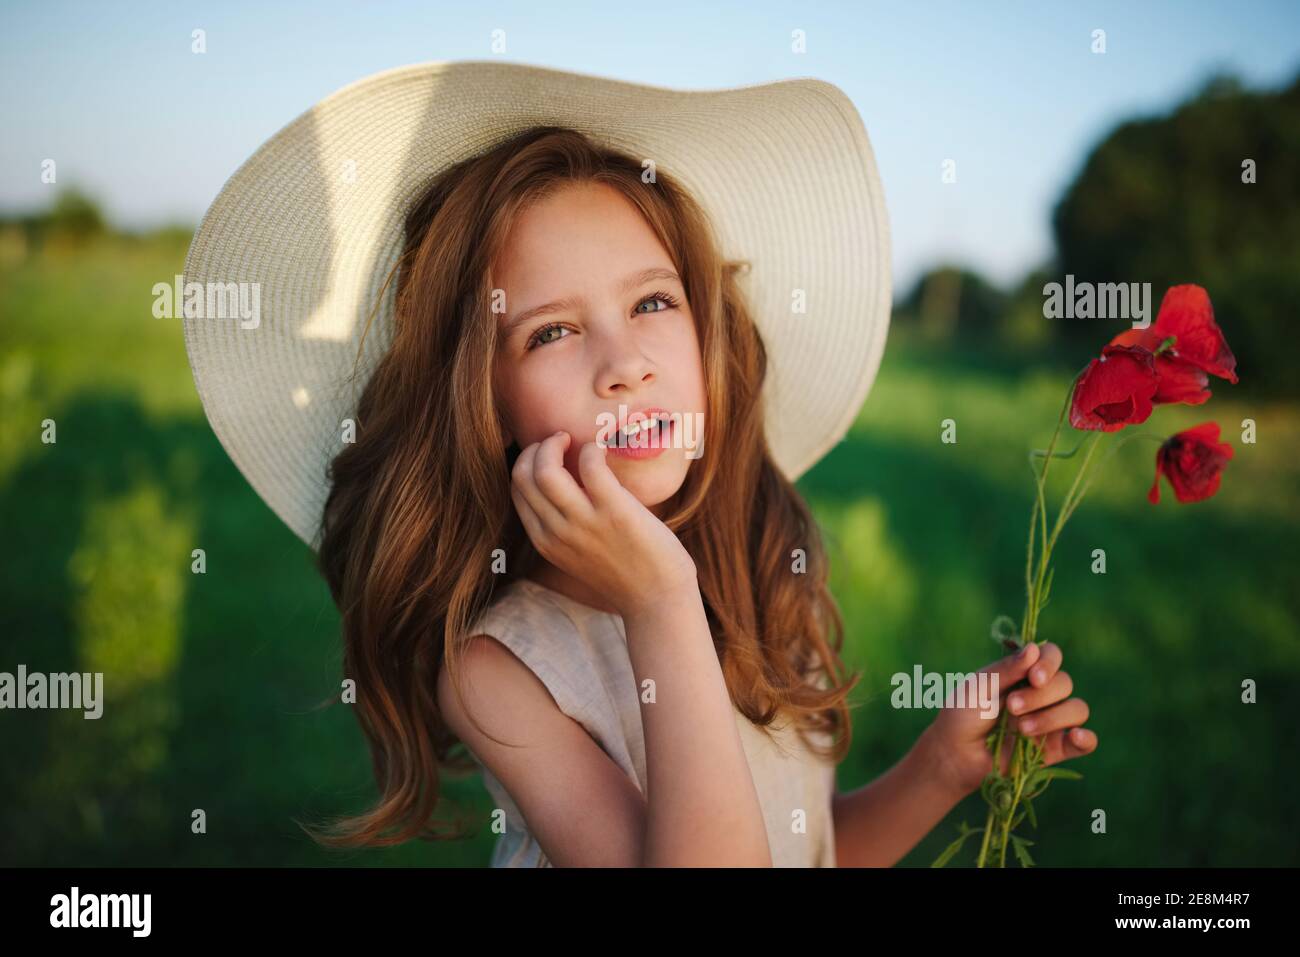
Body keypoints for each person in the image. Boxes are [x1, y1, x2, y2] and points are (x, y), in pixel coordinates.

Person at [181, 61, 1097, 868]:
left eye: (653, 301)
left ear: (709, 335)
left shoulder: (752, 573)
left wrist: (938, 768)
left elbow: (806, 849)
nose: (624, 364)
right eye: (551, 330)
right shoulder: (500, 664)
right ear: (482, 404)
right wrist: (660, 598)